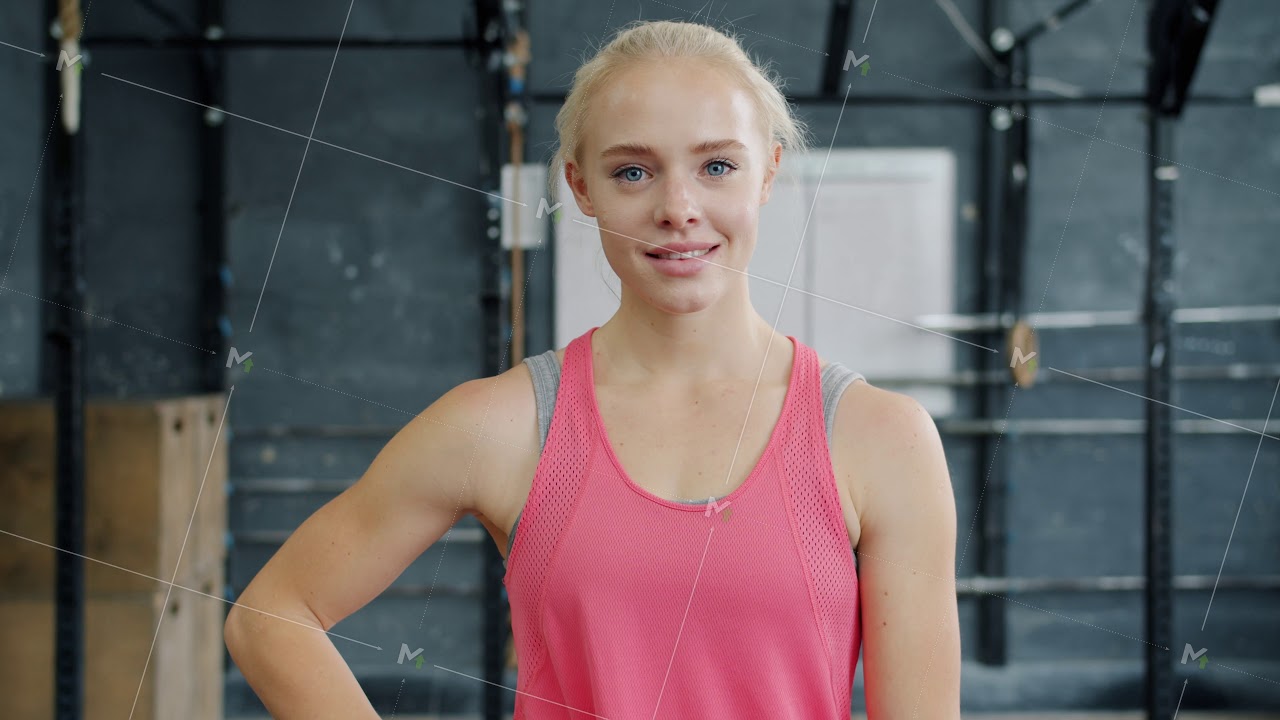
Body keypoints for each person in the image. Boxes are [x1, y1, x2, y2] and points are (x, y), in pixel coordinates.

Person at [224, 18, 961, 719]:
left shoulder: (881, 441)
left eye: (717, 166)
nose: (679, 208)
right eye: (634, 172)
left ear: (767, 171)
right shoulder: (502, 426)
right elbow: (270, 617)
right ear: (580, 188)